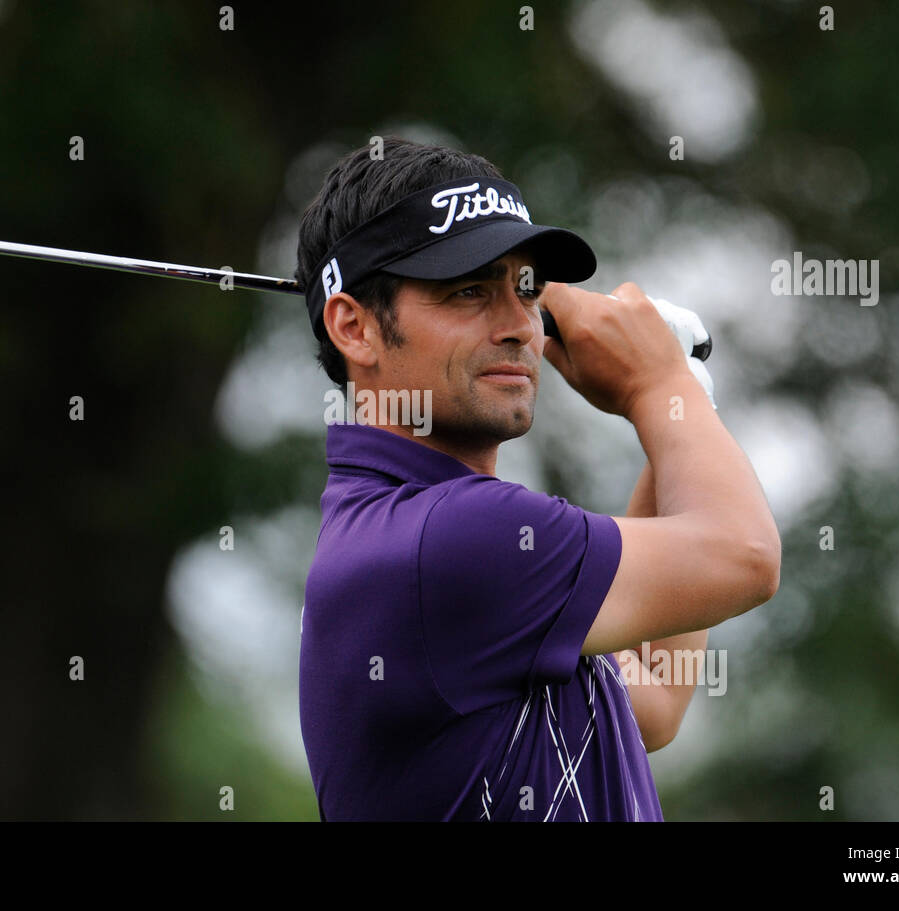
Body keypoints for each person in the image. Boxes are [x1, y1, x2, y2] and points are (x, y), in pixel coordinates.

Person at [295, 138, 781, 821]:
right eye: (468, 290)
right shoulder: (453, 539)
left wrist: (682, 394)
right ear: (355, 326)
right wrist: (658, 382)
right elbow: (745, 556)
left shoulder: (427, 543)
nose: (520, 326)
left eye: (526, 289)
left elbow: (654, 696)